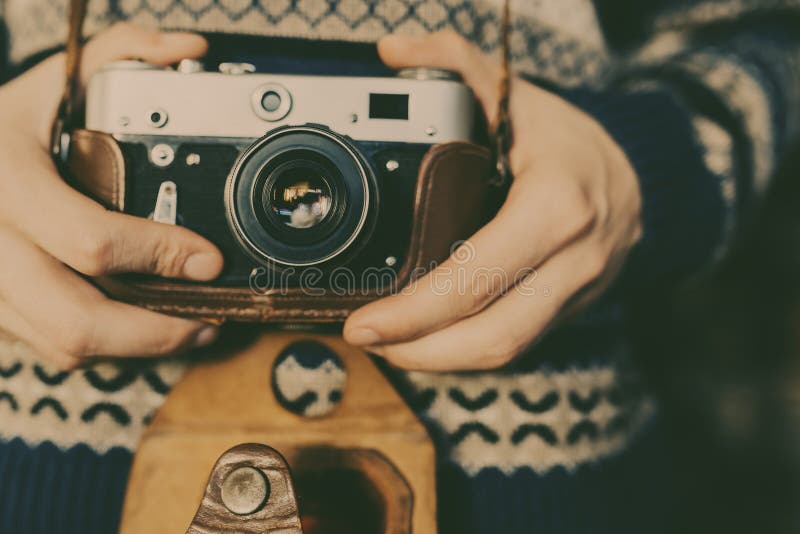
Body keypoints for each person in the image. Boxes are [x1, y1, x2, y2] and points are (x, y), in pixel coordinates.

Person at [0, 1, 797, 533]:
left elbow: (763, 28)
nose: (299, 197)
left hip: (534, 475)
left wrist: (635, 169)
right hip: (49, 475)